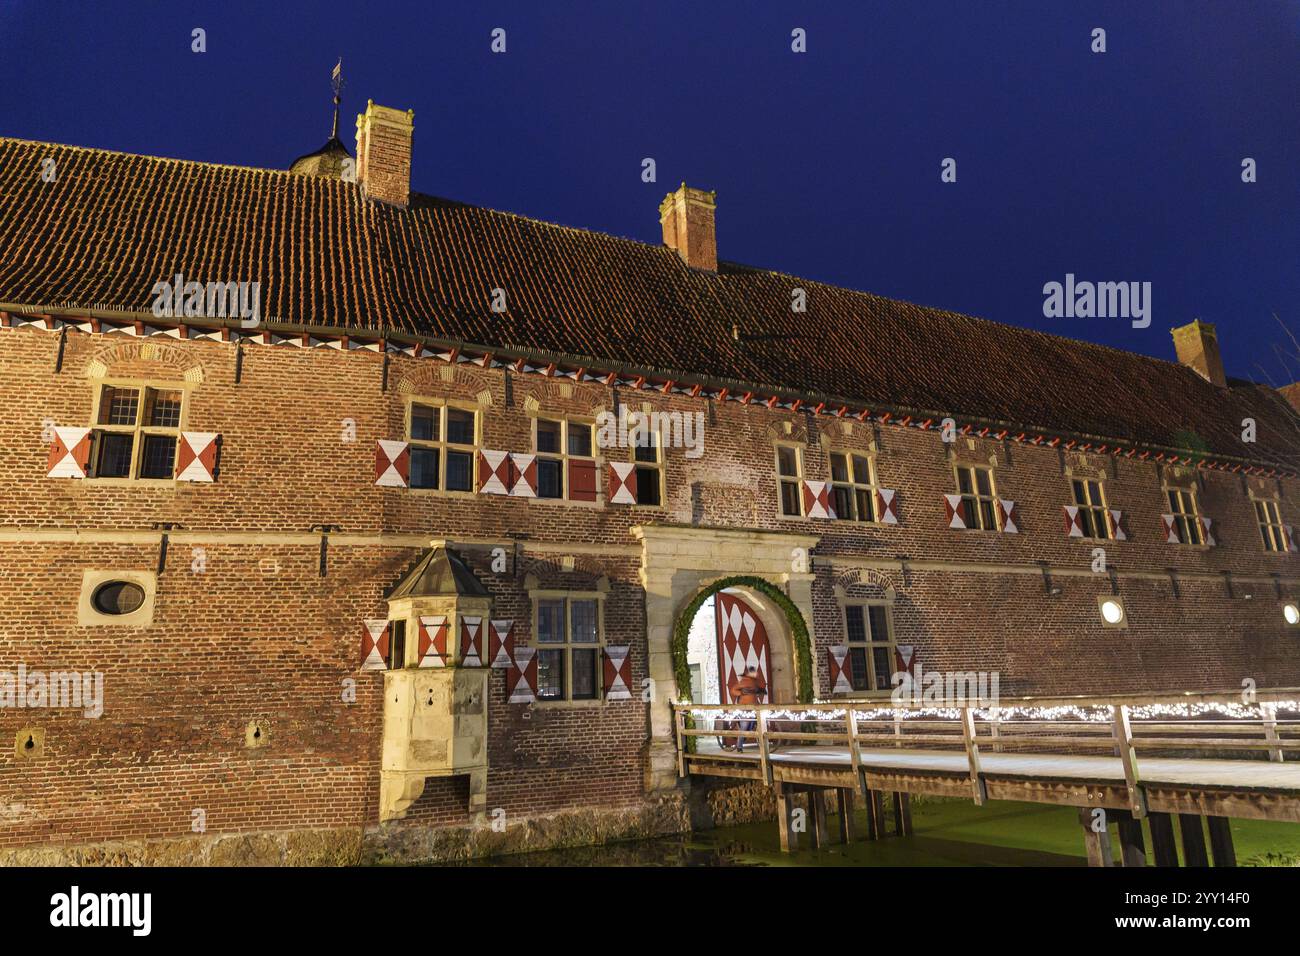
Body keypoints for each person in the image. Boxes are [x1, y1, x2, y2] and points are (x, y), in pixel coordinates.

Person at [728, 665, 767, 753]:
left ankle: (762, 743)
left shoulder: (754, 682)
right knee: (744, 726)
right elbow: (733, 690)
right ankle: (739, 746)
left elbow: (758, 691)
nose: (756, 674)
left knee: (757, 723)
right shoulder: (744, 681)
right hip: (744, 708)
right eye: (754, 672)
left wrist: (761, 690)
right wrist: (741, 692)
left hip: (753, 707)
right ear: (751, 673)